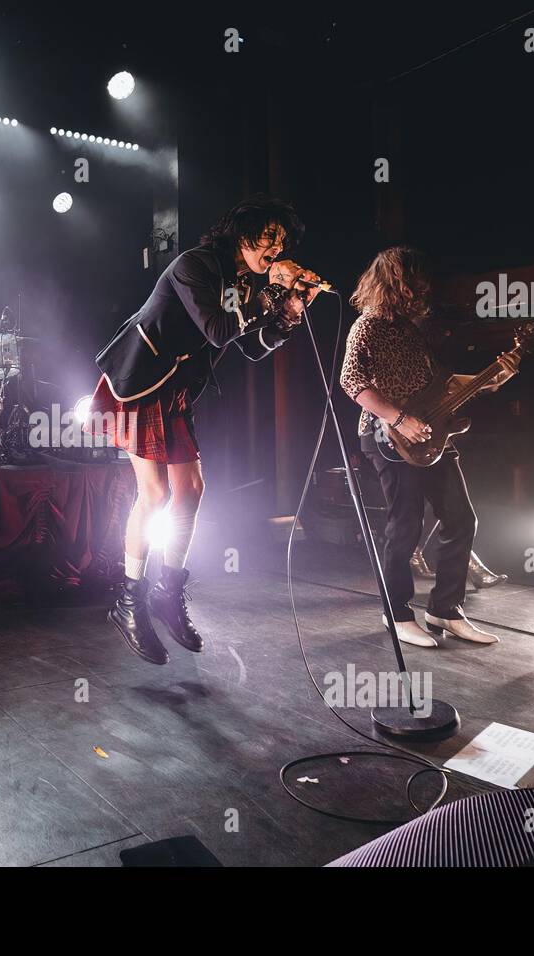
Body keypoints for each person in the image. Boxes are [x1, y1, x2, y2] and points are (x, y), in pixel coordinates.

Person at [90, 196, 321, 664]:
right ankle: (129, 601)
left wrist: (288, 315)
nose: (276, 249)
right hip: (139, 382)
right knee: (153, 495)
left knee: (191, 489)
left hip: (174, 387)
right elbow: (217, 330)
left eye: (283, 242)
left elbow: (253, 348)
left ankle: (167, 591)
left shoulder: (242, 282)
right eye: (269, 237)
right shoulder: (194, 264)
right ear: (242, 233)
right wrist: (267, 296)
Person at [339, 246, 518, 647]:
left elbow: (443, 385)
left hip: (433, 435)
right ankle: (397, 613)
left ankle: (444, 610)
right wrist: (399, 418)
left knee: (461, 518)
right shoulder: (367, 326)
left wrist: (492, 377)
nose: (420, 289)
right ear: (392, 281)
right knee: (405, 526)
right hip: (388, 437)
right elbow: (352, 382)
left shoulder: (411, 331)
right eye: (411, 280)